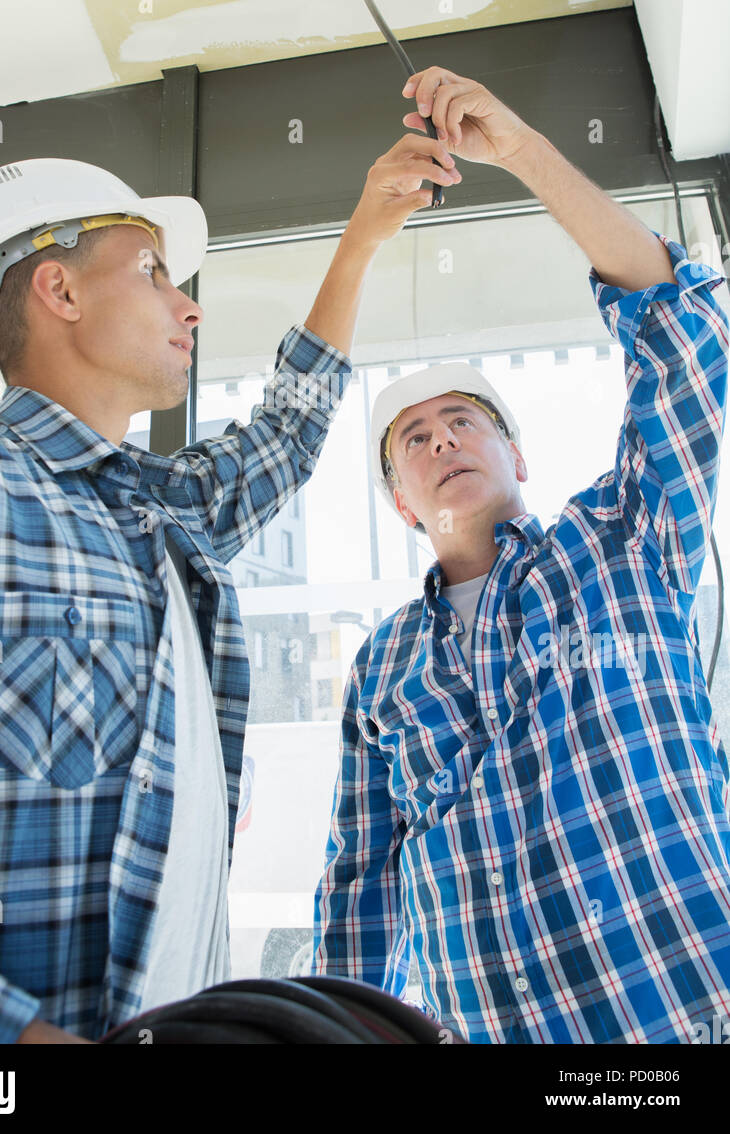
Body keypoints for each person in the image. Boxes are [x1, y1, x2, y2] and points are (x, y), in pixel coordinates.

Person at [0, 133, 462, 1044]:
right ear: (57, 290)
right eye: (152, 270)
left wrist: (365, 235)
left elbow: (286, 436)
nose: (189, 309)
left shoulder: (165, 521)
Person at [312, 66, 730, 1044]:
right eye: (411, 440)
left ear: (516, 455)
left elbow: (691, 336)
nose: (439, 441)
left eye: (462, 421)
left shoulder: (624, 540)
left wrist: (522, 151)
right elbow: (360, 885)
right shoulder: (382, 666)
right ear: (400, 506)